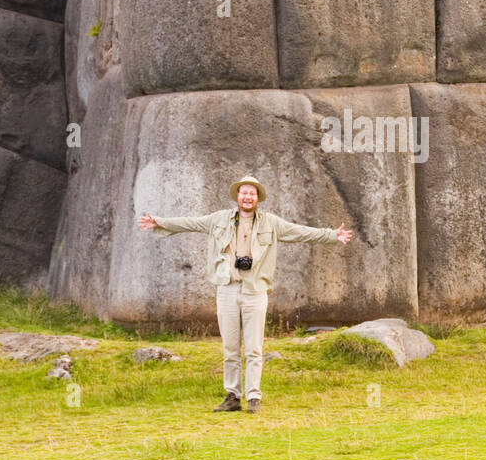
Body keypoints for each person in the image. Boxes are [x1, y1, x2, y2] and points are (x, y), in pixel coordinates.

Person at [138, 175, 353, 414]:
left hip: (255, 291)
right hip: (227, 288)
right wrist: (158, 222)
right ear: (237, 196)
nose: (248, 197)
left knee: (254, 348)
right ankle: (232, 396)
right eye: (244, 193)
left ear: (257, 197)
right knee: (230, 348)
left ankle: (253, 397)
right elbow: (189, 222)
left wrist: (332, 235)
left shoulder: (271, 223)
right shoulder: (218, 219)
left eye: (252, 193)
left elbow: (301, 232)